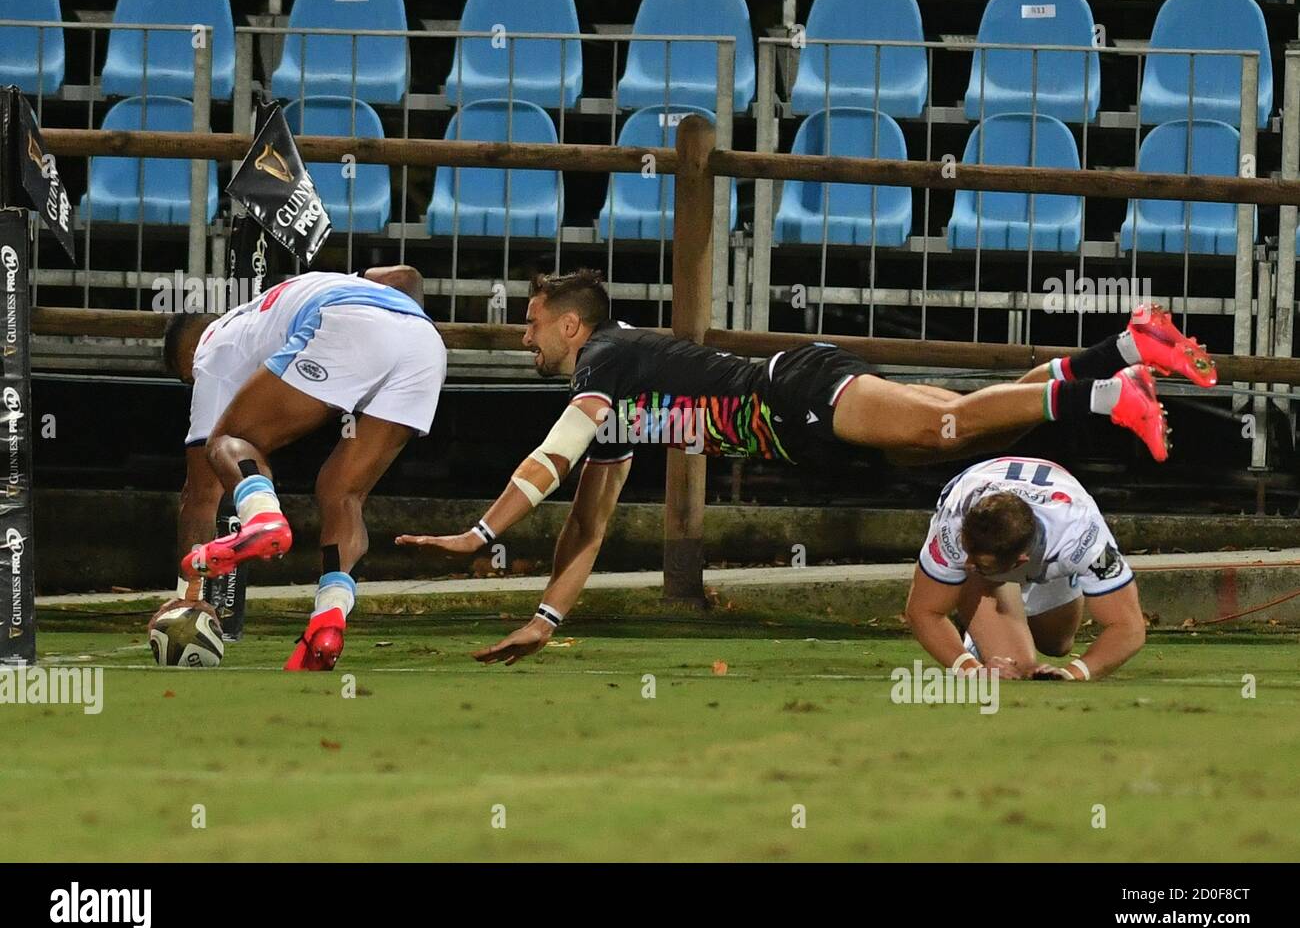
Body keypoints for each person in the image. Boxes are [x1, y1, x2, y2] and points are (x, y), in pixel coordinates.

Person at [396, 269, 1212, 666]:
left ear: (573, 326)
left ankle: (1108, 398)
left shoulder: (602, 359)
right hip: (803, 431)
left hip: (799, 391)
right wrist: (547, 619)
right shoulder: (618, 396)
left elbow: (551, 455)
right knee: (958, 425)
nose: (522, 338)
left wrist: (480, 532)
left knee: (945, 424)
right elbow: (588, 515)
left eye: (533, 326)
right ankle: (1126, 349)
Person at [157, 266, 446, 671]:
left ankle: (263, 521)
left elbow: (202, 495)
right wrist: (393, 329)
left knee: (223, 442)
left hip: (350, 325)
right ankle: (327, 624)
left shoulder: (212, 352)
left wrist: (188, 596)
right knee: (341, 492)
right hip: (424, 343)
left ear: (187, 358)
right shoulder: (279, 300)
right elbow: (409, 276)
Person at [903, 456, 1146, 681]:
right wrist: (970, 668)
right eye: (968, 554)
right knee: (1015, 667)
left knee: (1057, 644)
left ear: (1019, 561)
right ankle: (977, 635)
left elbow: (1129, 627)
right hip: (984, 495)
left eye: (980, 562)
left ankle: (1013, 606)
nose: (967, 564)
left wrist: (1073, 674)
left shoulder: (1083, 540)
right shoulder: (954, 527)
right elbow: (924, 612)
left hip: (1051, 547)